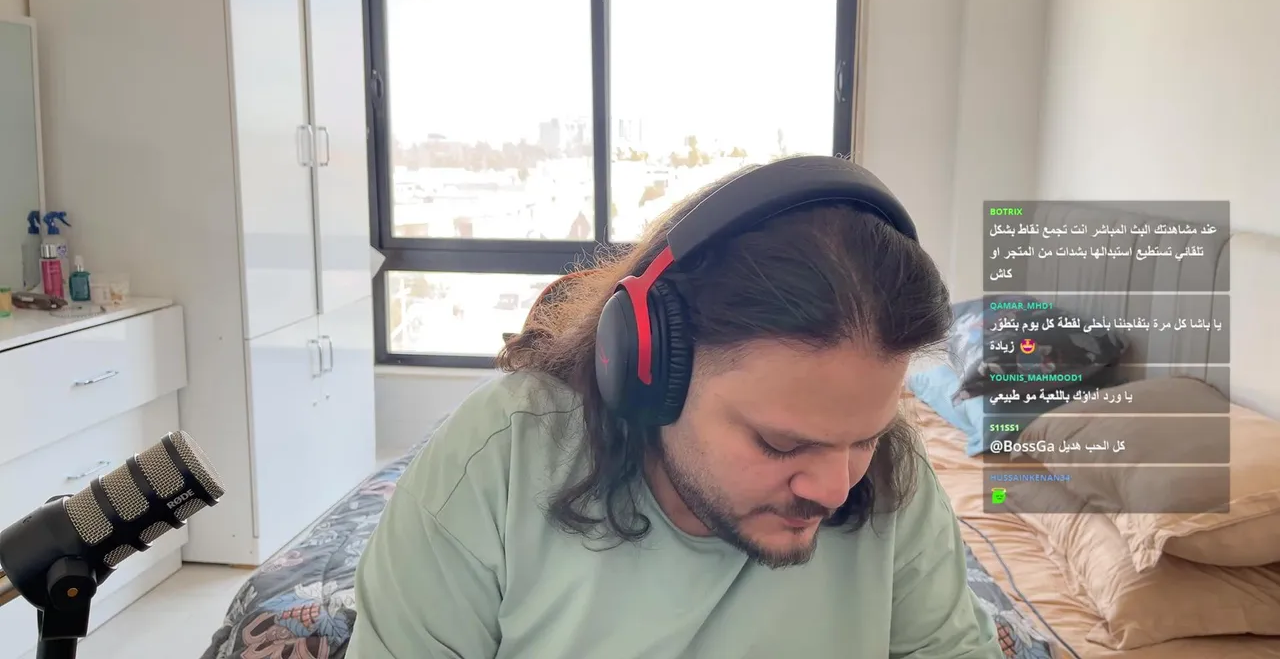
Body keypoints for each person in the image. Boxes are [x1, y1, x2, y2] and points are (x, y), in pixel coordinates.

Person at [347, 155, 1004, 658]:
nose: (835, 488)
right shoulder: (501, 457)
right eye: (781, 444)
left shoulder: (893, 469)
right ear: (651, 369)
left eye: (863, 439)